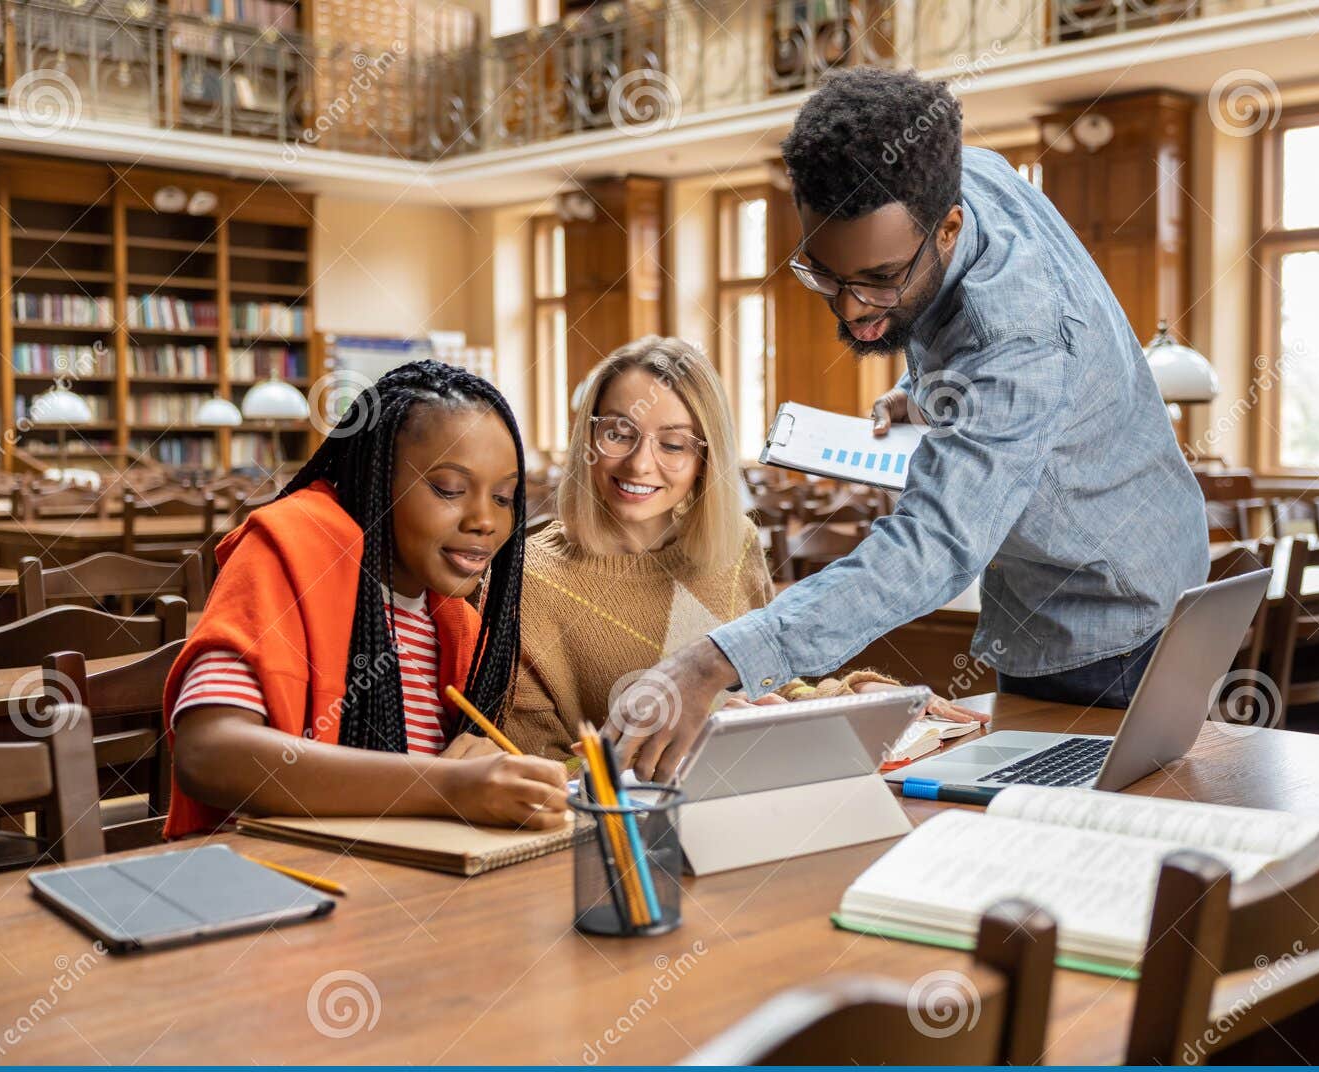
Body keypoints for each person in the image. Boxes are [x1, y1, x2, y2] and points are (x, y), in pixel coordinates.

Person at [608, 68, 1206, 780]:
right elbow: (959, 341)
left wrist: (716, 660)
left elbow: (935, 546)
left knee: (1066, 844)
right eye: (828, 274)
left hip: (1109, 629)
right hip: (1084, 588)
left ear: (948, 227)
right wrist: (928, 387)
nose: (853, 309)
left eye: (882, 279)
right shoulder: (962, 174)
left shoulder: (1018, 341)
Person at [503, 335, 982, 762]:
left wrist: (855, 695)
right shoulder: (529, 580)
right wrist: (684, 739)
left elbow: (769, 688)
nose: (639, 464)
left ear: (703, 459)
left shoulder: (736, 547)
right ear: (587, 436)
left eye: (672, 445)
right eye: (617, 433)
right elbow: (530, 767)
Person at [163, 360, 568, 837]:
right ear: (378, 477)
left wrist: (474, 771)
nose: (484, 519)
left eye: (504, 498)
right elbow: (207, 752)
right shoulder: (292, 548)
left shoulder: (456, 621)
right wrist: (447, 786)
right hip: (273, 883)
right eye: (450, 489)